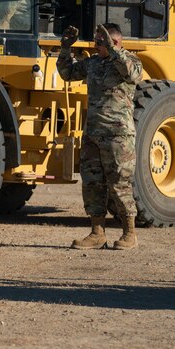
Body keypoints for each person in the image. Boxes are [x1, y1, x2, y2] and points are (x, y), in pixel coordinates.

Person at [58, 22, 143, 250]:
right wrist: (65, 48)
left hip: (118, 137)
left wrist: (114, 51)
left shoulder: (130, 61)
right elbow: (67, 73)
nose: (95, 46)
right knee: (92, 183)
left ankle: (130, 233)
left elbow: (133, 75)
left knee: (120, 184)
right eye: (96, 41)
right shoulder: (94, 64)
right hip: (93, 135)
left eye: (100, 42)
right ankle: (97, 233)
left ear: (114, 42)